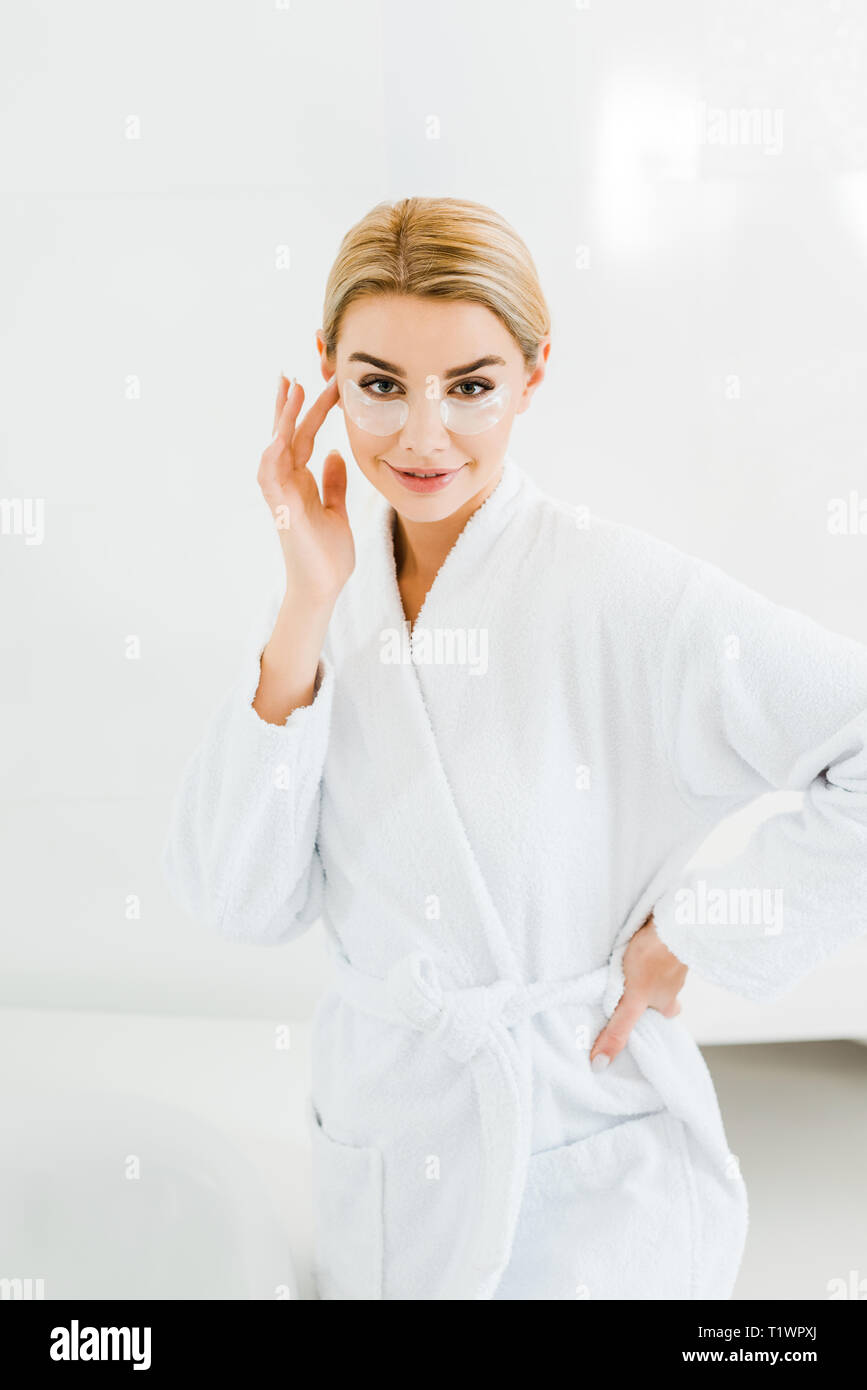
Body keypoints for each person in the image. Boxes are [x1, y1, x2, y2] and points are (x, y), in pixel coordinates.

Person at [162, 195, 867, 1300]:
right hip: (391, 1160)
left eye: (472, 386)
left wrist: (700, 931)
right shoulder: (336, 590)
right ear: (329, 371)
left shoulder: (622, 592)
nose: (422, 434)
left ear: (536, 376)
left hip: (588, 1163)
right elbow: (238, 900)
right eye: (380, 383)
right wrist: (305, 600)